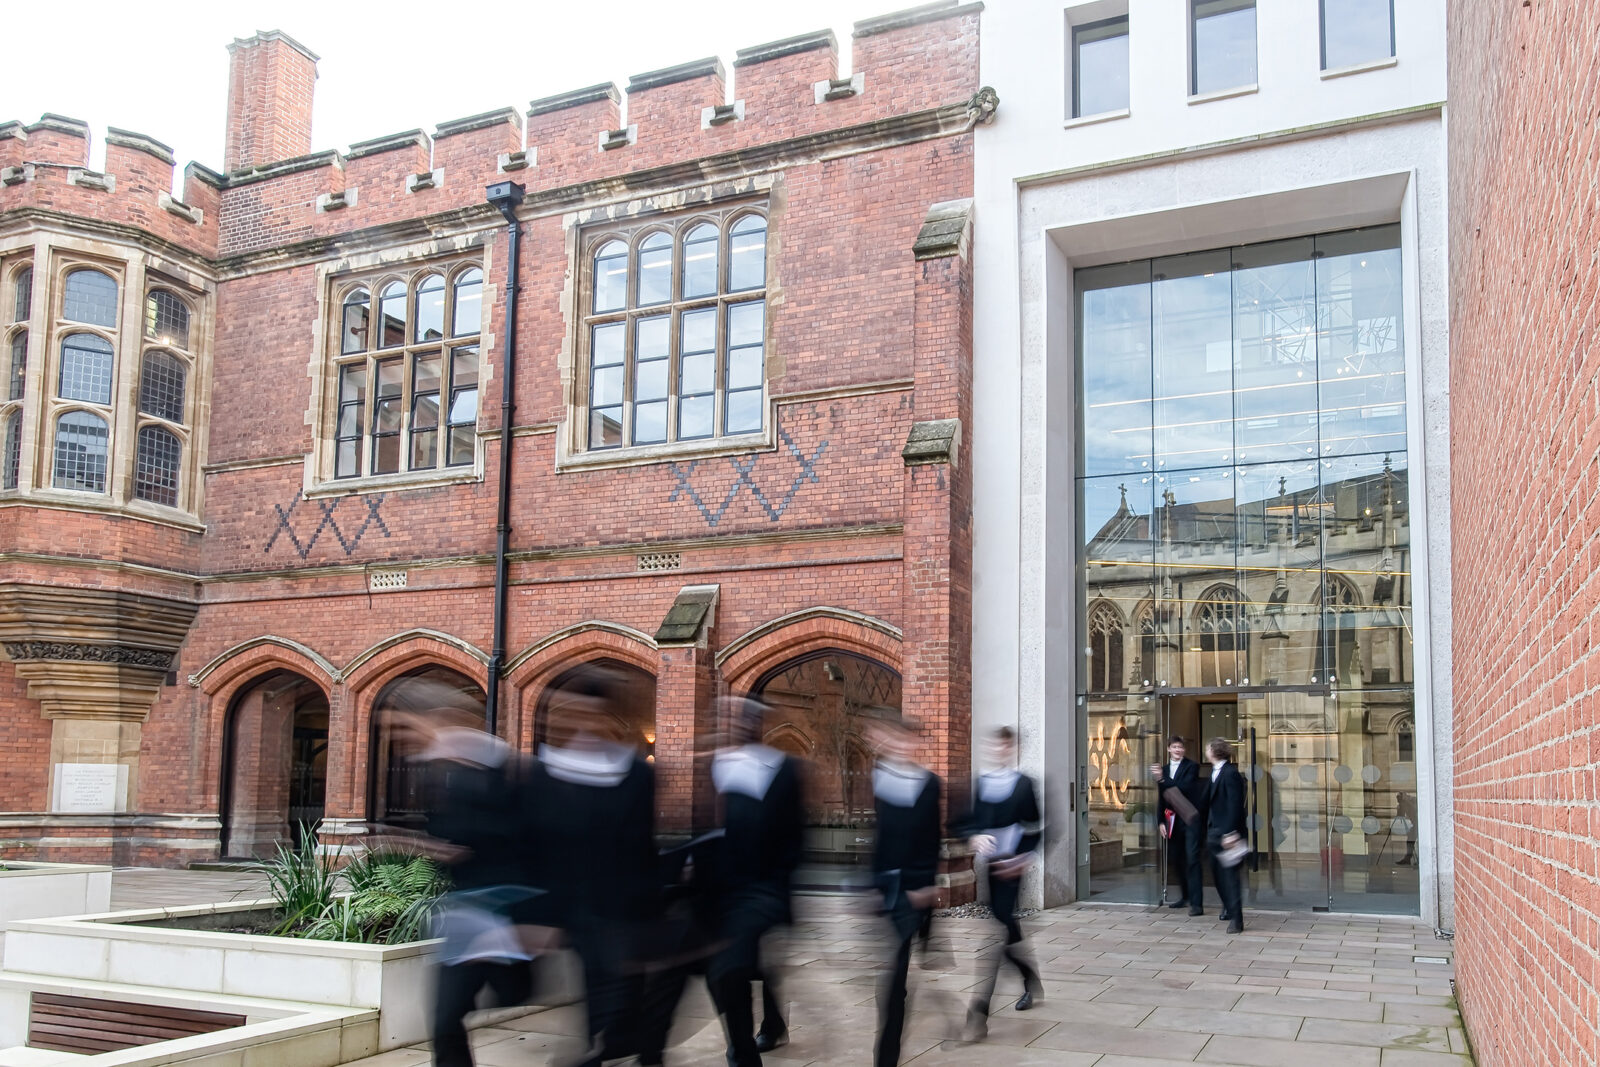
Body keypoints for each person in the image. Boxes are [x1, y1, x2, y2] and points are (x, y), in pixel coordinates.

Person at [528, 665, 659, 1066]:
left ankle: (613, 1049)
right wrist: (543, 913)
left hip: (625, 905)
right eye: (573, 712)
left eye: (591, 712)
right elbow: (540, 845)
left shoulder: (636, 774)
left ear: (606, 717)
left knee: (619, 992)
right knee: (596, 988)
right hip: (577, 905)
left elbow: (642, 844)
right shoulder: (548, 772)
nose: (581, 721)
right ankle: (607, 1048)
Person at [401, 709, 538, 1067]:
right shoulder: (452, 772)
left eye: (410, 726)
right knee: (446, 1015)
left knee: (503, 993)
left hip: (497, 907)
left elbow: (463, 846)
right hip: (470, 912)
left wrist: (398, 841)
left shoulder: (481, 774)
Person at [705, 696, 805, 1067]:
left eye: (746, 718)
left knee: (730, 969)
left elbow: (794, 837)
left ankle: (743, 1053)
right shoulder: (719, 766)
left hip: (764, 889)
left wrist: (778, 892)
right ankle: (773, 1023)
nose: (737, 725)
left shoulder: (784, 769)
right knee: (748, 967)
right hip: (727, 892)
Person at [958, 726, 1042, 1040]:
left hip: (1012, 868)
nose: (1000, 751)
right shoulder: (981, 784)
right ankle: (1030, 977)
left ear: (1013, 749)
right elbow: (966, 822)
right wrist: (974, 837)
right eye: (996, 746)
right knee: (1007, 928)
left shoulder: (1023, 785)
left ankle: (978, 1014)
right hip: (992, 867)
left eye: (1006, 746)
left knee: (996, 936)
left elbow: (1035, 828)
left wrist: (1021, 858)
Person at [867, 715, 941, 1067]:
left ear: (913, 743)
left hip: (912, 889)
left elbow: (930, 840)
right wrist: (872, 883)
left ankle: (887, 1056)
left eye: (903, 740)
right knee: (894, 968)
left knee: (895, 973)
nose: (897, 746)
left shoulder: (928, 784)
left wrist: (924, 884)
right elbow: (879, 836)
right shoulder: (880, 779)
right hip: (887, 886)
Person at [1151, 736, 1204, 915]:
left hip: (1189, 820)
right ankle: (1185, 896)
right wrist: (1160, 821)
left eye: (1180, 747)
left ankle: (1197, 904)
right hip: (1172, 820)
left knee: (1192, 859)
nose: (1178, 750)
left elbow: (1184, 788)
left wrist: (1162, 780)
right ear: (1168, 749)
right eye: (1174, 747)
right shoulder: (1164, 770)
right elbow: (1162, 797)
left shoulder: (1192, 766)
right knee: (1177, 860)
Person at [1203, 737, 1247, 934]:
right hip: (1214, 832)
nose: (1206, 751)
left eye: (1207, 748)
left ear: (1214, 750)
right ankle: (1229, 908)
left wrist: (1231, 833)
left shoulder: (1230, 773)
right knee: (1217, 875)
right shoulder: (1214, 772)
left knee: (1230, 877)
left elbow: (1235, 805)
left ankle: (1237, 920)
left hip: (1228, 834)